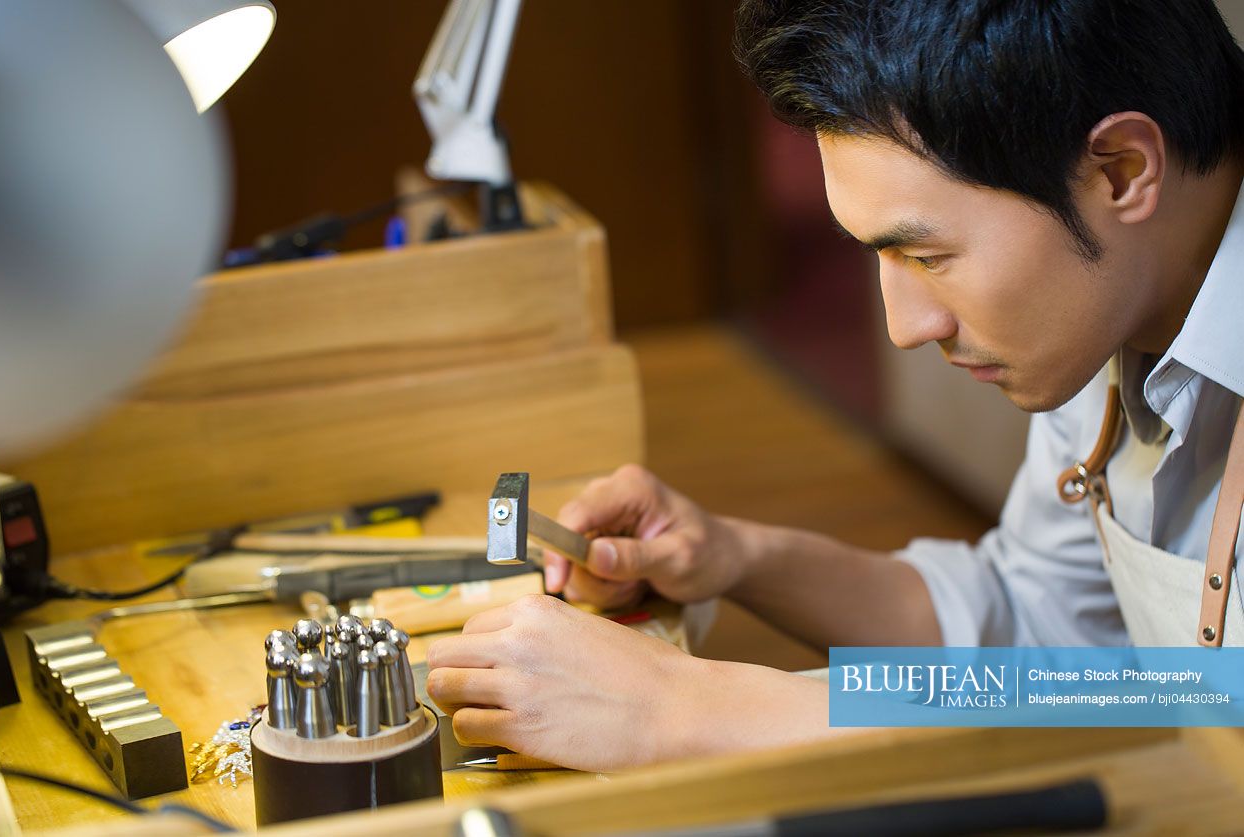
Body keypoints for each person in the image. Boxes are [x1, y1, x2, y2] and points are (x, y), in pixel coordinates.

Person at [427, 0, 1244, 771]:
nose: (905, 325)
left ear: (1120, 169)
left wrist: (692, 708)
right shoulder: (1109, 312)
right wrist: (735, 557)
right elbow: (1036, 635)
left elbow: (1183, 710)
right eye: (877, 257)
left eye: (927, 256)